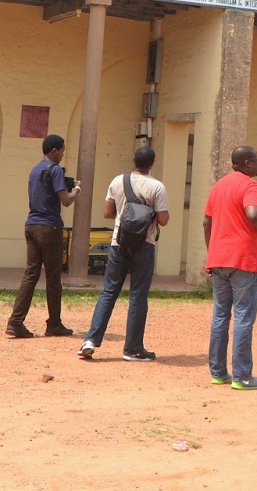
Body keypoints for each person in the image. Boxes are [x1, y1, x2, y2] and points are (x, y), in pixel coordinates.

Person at [79, 143, 170, 361]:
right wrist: (148, 217)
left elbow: (107, 212)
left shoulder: (117, 181)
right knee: (138, 296)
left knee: (109, 292)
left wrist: (126, 217)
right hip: (145, 245)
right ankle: (132, 349)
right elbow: (164, 220)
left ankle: (90, 340)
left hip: (118, 243)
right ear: (152, 163)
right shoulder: (157, 187)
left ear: (134, 160)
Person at [204, 145, 257, 390]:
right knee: (244, 316)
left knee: (220, 315)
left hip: (219, 258)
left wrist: (211, 254)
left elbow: (206, 222)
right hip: (244, 259)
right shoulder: (250, 185)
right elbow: (254, 214)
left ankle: (218, 372)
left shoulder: (218, 186)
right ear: (246, 163)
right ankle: (242, 376)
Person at [6, 133, 82, 338]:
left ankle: (15, 322)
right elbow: (65, 200)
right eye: (62, 150)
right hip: (50, 228)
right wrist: (76, 189)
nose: (63, 154)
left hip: (31, 225)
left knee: (31, 274)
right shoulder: (55, 169)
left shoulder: (35, 169)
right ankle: (54, 324)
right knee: (53, 277)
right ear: (54, 151)